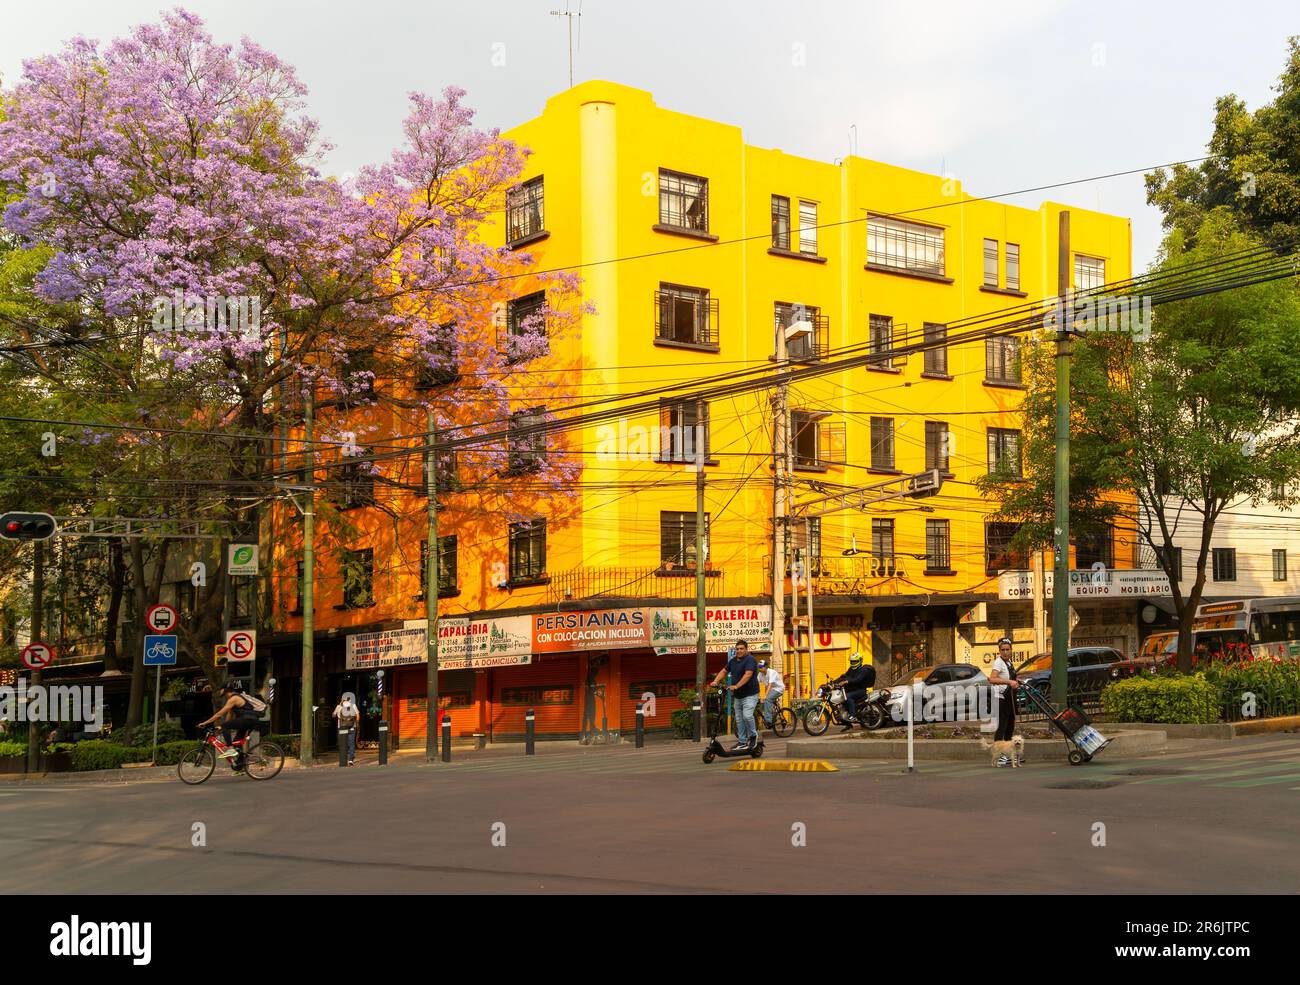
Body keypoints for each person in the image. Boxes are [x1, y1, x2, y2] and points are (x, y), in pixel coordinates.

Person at [197, 681, 267, 770]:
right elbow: (229, 716)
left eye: (221, 689)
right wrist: (222, 727)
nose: (220, 691)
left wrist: (205, 723)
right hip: (251, 720)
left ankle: (230, 749)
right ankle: (240, 765)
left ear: (225, 689)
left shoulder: (233, 699)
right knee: (237, 741)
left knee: (226, 727)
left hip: (248, 719)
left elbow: (219, 714)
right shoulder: (234, 699)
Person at [709, 640, 759, 750]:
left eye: (741, 649)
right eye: (737, 649)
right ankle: (742, 742)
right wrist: (716, 681)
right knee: (739, 719)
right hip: (738, 696)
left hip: (750, 694)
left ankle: (753, 736)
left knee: (747, 716)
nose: (739, 651)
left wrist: (736, 686)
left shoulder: (750, 660)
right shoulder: (733, 661)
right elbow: (724, 671)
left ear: (746, 649)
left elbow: (748, 675)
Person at [987, 636, 1022, 767]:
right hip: (1002, 699)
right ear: (999, 651)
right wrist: (1009, 682)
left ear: (1011, 650)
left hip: (1010, 698)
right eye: (1003, 649)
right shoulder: (998, 662)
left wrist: (1016, 682)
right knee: (1002, 727)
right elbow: (992, 679)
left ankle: (1009, 753)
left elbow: (1012, 677)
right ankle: (999, 754)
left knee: (1010, 726)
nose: (1005, 652)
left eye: (1008, 649)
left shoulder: (1009, 663)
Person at [831, 652, 875, 731]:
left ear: (860, 661)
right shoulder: (851, 669)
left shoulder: (863, 670)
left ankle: (853, 715)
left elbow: (857, 680)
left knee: (848, 697)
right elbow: (844, 676)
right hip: (852, 690)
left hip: (860, 691)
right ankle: (848, 724)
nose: (853, 663)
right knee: (841, 702)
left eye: (854, 661)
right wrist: (833, 682)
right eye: (852, 661)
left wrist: (847, 682)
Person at [333, 691, 361, 765]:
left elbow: (333, 715)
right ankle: (350, 759)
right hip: (352, 727)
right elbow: (358, 715)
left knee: (342, 743)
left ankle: (343, 758)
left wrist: (338, 708)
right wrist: (357, 723)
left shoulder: (339, 706)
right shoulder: (353, 705)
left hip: (341, 727)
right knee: (351, 743)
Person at [756, 659, 785, 728]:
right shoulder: (760, 674)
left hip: (778, 689)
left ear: (766, 667)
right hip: (771, 690)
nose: (759, 669)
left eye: (761, 667)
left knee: (767, 699)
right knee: (762, 701)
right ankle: (771, 714)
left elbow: (770, 685)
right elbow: (755, 684)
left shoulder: (772, 672)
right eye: (758, 667)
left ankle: (769, 720)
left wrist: (765, 696)